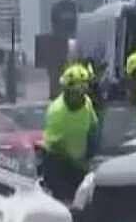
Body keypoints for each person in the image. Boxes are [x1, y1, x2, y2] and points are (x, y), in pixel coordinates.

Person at [41, 63, 101, 201]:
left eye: (83, 90)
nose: (79, 96)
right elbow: (55, 147)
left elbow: (93, 126)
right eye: (75, 92)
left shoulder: (87, 103)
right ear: (66, 91)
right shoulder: (56, 111)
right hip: (59, 165)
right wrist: (78, 163)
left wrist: (90, 152)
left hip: (80, 165)